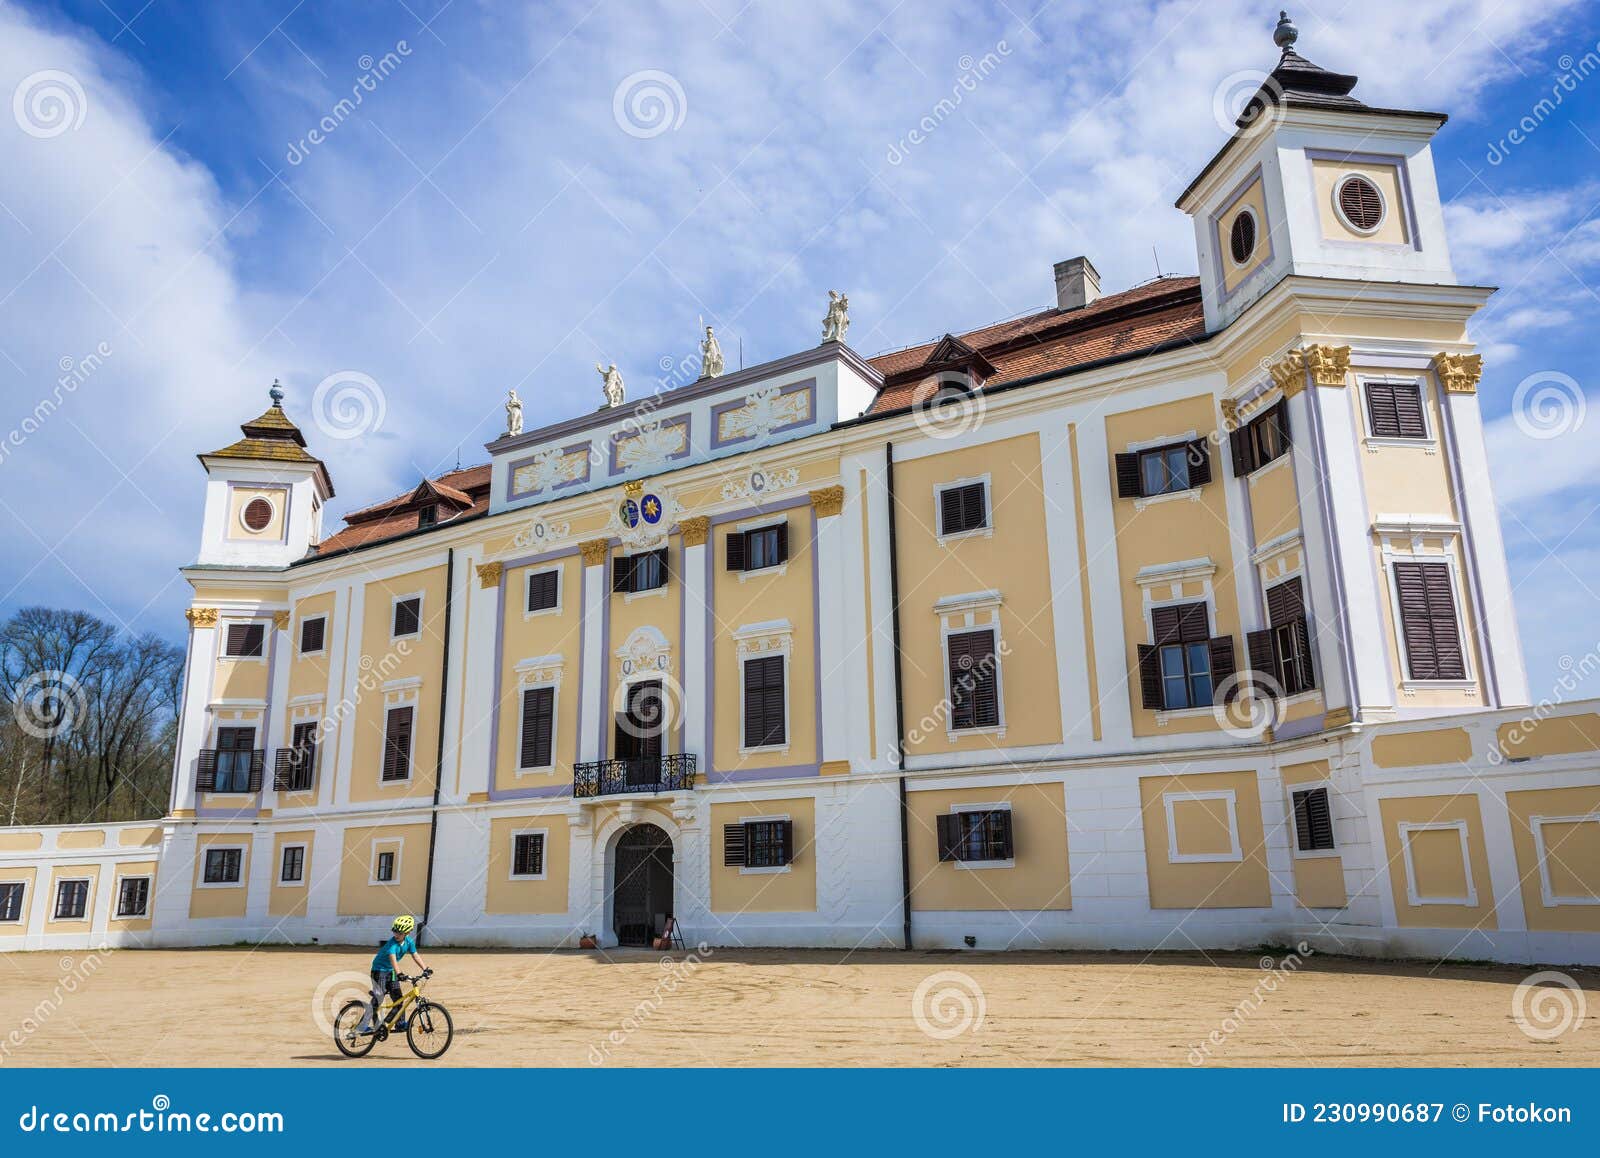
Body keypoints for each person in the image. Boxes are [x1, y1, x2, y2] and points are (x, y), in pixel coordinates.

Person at [362, 914, 430, 1033]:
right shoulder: (392, 944)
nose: (396, 935)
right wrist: (400, 973)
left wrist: (425, 969)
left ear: (408, 932)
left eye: (400, 933)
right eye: (395, 931)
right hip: (379, 971)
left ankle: (400, 1024)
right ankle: (362, 1026)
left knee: (398, 998)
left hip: (391, 972)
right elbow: (393, 959)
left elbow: (415, 955)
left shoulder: (409, 942)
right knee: (379, 997)